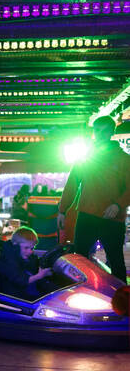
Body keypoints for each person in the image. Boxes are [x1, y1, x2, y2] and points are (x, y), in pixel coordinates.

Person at [59, 116, 130, 281]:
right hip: (87, 215)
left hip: (112, 218)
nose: (101, 134)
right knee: (80, 259)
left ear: (111, 132)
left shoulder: (124, 159)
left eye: (105, 130)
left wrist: (118, 205)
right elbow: (71, 185)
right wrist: (62, 210)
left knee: (115, 261)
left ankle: (123, 303)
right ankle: (78, 296)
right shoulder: (85, 158)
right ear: (94, 132)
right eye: (98, 130)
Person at [0, 227, 52, 299]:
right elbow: (20, 280)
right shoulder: (8, 259)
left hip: (29, 292)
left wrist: (47, 271)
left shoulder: (27, 256)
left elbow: (35, 266)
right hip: (16, 297)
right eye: (26, 248)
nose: (30, 251)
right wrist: (39, 276)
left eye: (32, 248)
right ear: (15, 246)